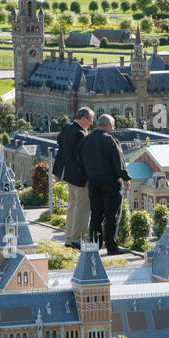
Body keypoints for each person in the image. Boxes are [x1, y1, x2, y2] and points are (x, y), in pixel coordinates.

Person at [80, 113, 131, 254]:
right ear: (108, 125)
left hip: (93, 183)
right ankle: (112, 247)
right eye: (113, 126)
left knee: (96, 215)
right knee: (112, 216)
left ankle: (95, 246)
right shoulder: (110, 140)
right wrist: (126, 179)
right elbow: (119, 163)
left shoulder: (86, 140)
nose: (113, 129)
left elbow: (81, 161)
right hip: (110, 183)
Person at [55, 108, 93, 248]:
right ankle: (77, 239)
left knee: (71, 205)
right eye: (90, 120)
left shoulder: (66, 128)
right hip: (79, 177)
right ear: (83, 118)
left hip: (68, 174)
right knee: (82, 207)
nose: (91, 123)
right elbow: (83, 157)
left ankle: (69, 238)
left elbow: (60, 142)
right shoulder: (80, 133)